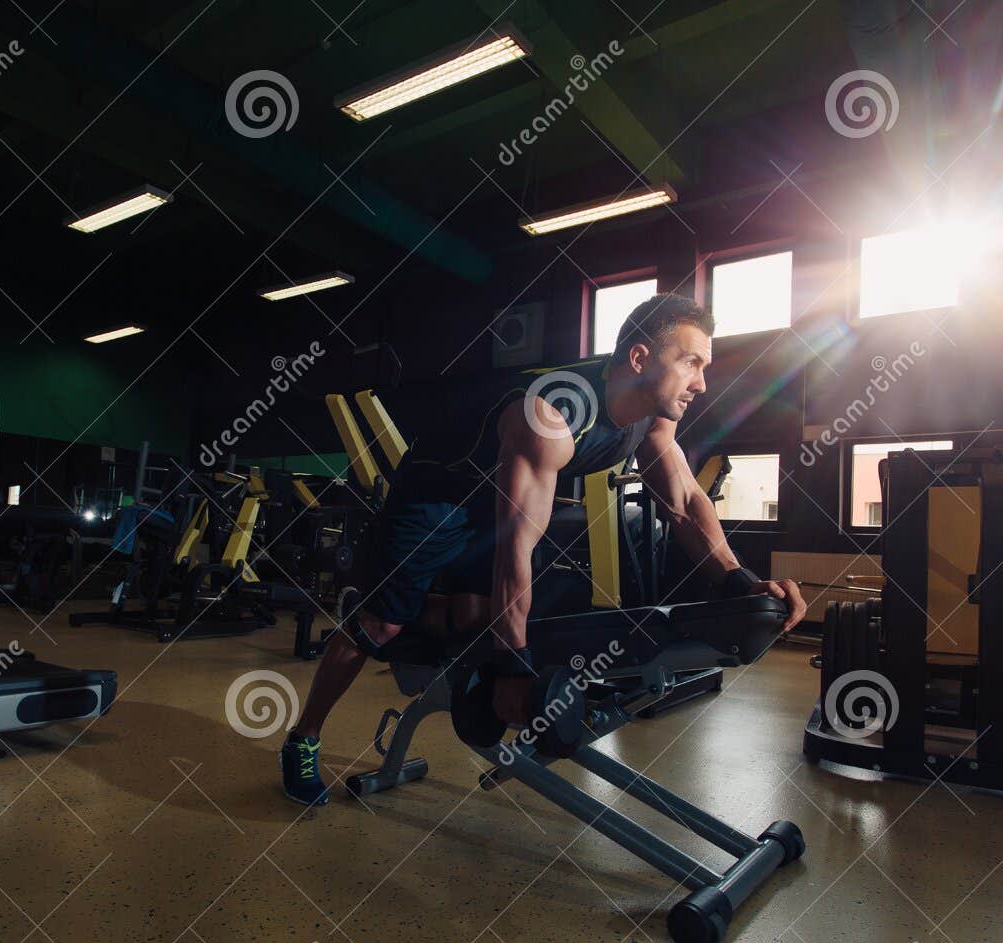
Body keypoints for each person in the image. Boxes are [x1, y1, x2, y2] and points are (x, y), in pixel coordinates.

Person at [279, 293, 806, 805]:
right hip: (436, 497)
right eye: (691, 362)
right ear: (640, 357)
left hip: (493, 502)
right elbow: (517, 545)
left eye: (704, 365)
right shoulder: (552, 417)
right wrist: (515, 666)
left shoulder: (654, 412)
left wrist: (740, 581)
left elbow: (686, 501)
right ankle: (304, 736)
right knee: (379, 625)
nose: (702, 382)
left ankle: (427, 620)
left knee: (474, 614)